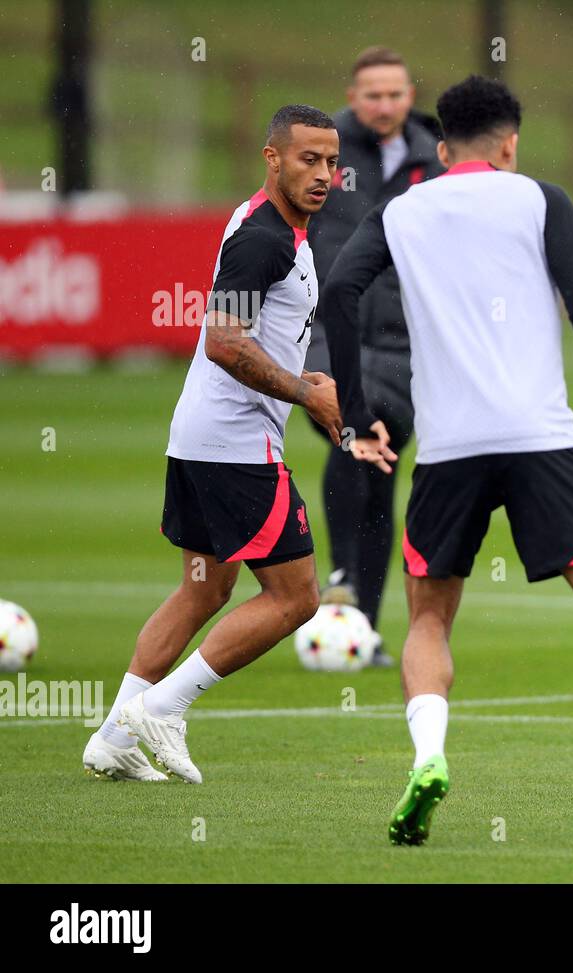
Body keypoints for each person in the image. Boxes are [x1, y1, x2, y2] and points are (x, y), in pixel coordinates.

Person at [320, 75, 573, 846]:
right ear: (511, 144)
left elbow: (339, 291)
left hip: (450, 448)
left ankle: (428, 759)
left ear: (439, 147)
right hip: (542, 438)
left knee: (429, 617)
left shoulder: (403, 209)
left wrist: (356, 409)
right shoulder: (540, 199)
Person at [82, 106, 344, 783]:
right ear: (272, 158)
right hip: (235, 445)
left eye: (329, 161)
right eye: (307, 159)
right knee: (297, 597)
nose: (322, 174)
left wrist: (303, 379)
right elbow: (224, 341)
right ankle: (165, 707)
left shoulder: (272, 225)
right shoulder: (265, 237)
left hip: (200, 434)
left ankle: (113, 735)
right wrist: (305, 391)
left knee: (203, 590)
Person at [304, 47, 445, 665]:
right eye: (372, 94)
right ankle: (342, 578)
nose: (384, 105)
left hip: (409, 341)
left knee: (380, 468)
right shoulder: (321, 154)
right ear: (353, 96)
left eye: (394, 93)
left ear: (409, 95)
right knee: (350, 435)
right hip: (330, 334)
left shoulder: (435, 160)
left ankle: (364, 622)